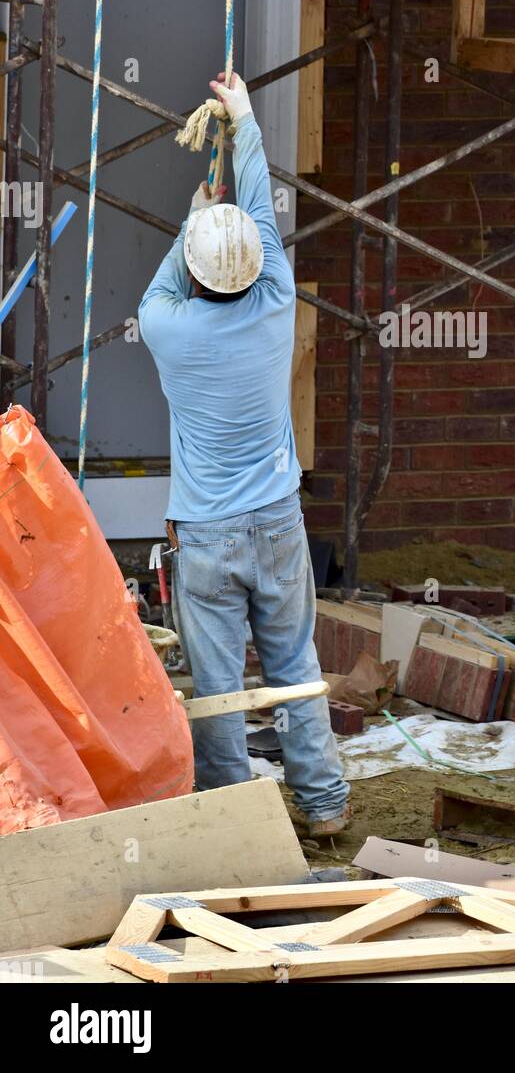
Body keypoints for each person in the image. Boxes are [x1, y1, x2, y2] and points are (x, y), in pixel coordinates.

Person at [139, 72, 350, 836]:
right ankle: (323, 805)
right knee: (295, 667)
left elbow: (168, 280)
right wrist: (246, 122)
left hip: (206, 535)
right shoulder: (276, 304)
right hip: (277, 522)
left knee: (219, 683)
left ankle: (235, 819)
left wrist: (194, 218)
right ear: (254, 266)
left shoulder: (167, 329)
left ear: (196, 272)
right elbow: (259, 212)